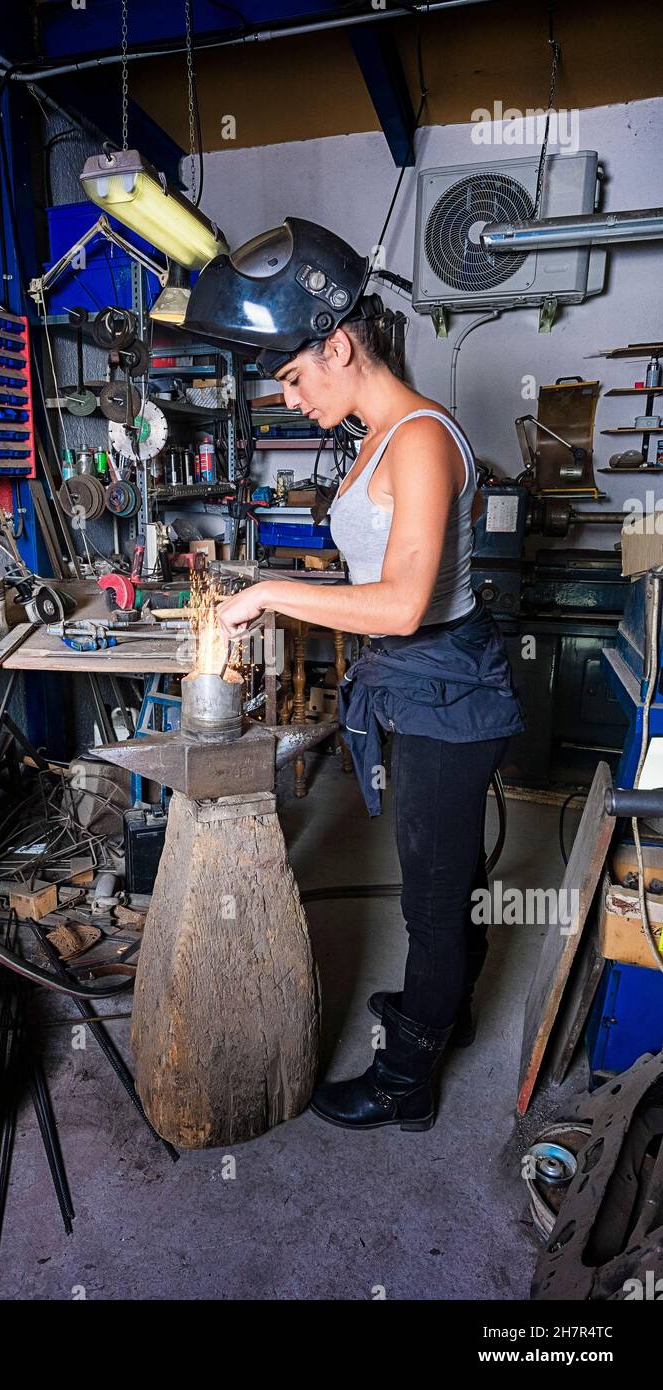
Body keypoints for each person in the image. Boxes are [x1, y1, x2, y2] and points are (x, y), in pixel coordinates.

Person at [182, 217, 525, 1132]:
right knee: (438, 881)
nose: (288, 396)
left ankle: (408, 1082)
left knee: (429, 900)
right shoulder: (374, 438)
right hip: (413, 684)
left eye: (294, 375)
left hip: (449, 692)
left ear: (338, 343)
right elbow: (374, 576)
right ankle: (440, 1010)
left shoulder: (416, 439)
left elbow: (405, 603)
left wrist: (269, 593)